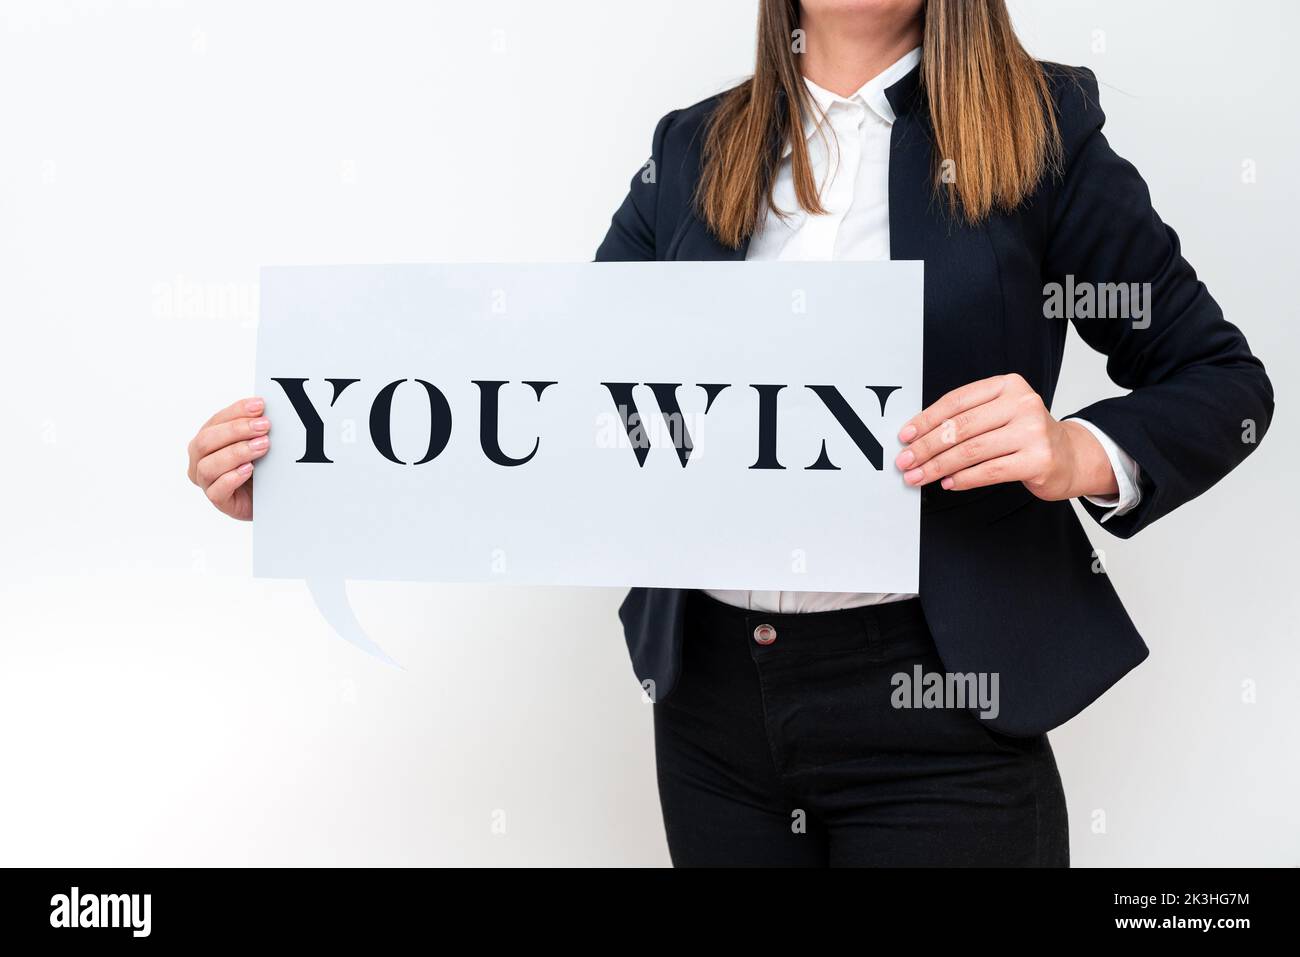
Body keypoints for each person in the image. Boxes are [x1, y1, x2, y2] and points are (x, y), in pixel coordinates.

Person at [187, 0, 1273, 866]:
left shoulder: (1042, 130)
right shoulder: (692, 144)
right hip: (713, 711)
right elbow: (562, 410)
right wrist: (315, 478)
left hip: (942, 710)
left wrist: (1076, 451)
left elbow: (1221, 381)